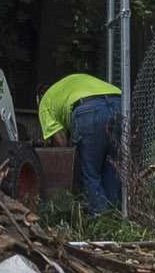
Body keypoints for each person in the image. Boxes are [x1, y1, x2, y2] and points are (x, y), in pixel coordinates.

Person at [38, 70, 124, 215]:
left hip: (88, 110)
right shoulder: (72, 82)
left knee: (90, 172)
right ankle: (116, 218)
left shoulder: (45, 102)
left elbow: (62, 143)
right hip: (120, 103)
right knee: (113, 169)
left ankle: (101, 219)